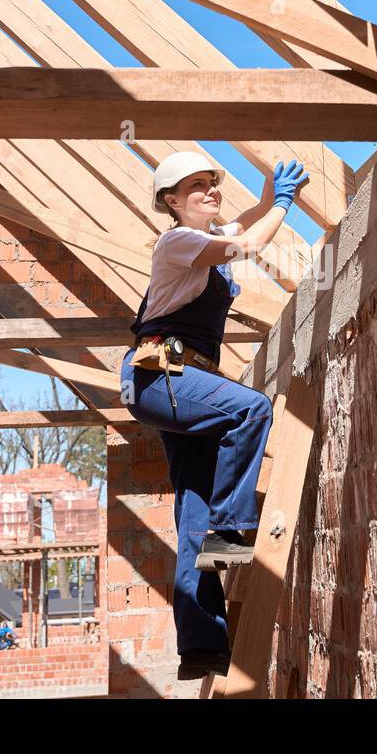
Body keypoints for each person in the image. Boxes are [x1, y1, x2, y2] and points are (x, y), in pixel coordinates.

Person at [121, 150, 306, 680]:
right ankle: (232, 532)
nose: (209, 189)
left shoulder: (204, 244)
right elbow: (247, 243)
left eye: (211, 181)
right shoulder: (178, 241)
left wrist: (271, 198)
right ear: (171, 203)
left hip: (184, 385)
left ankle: (202, 646)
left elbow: (239, 227)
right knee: (250, 410)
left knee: (193, 510)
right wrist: (286, 207)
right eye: (195, 186)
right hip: (161, 377)